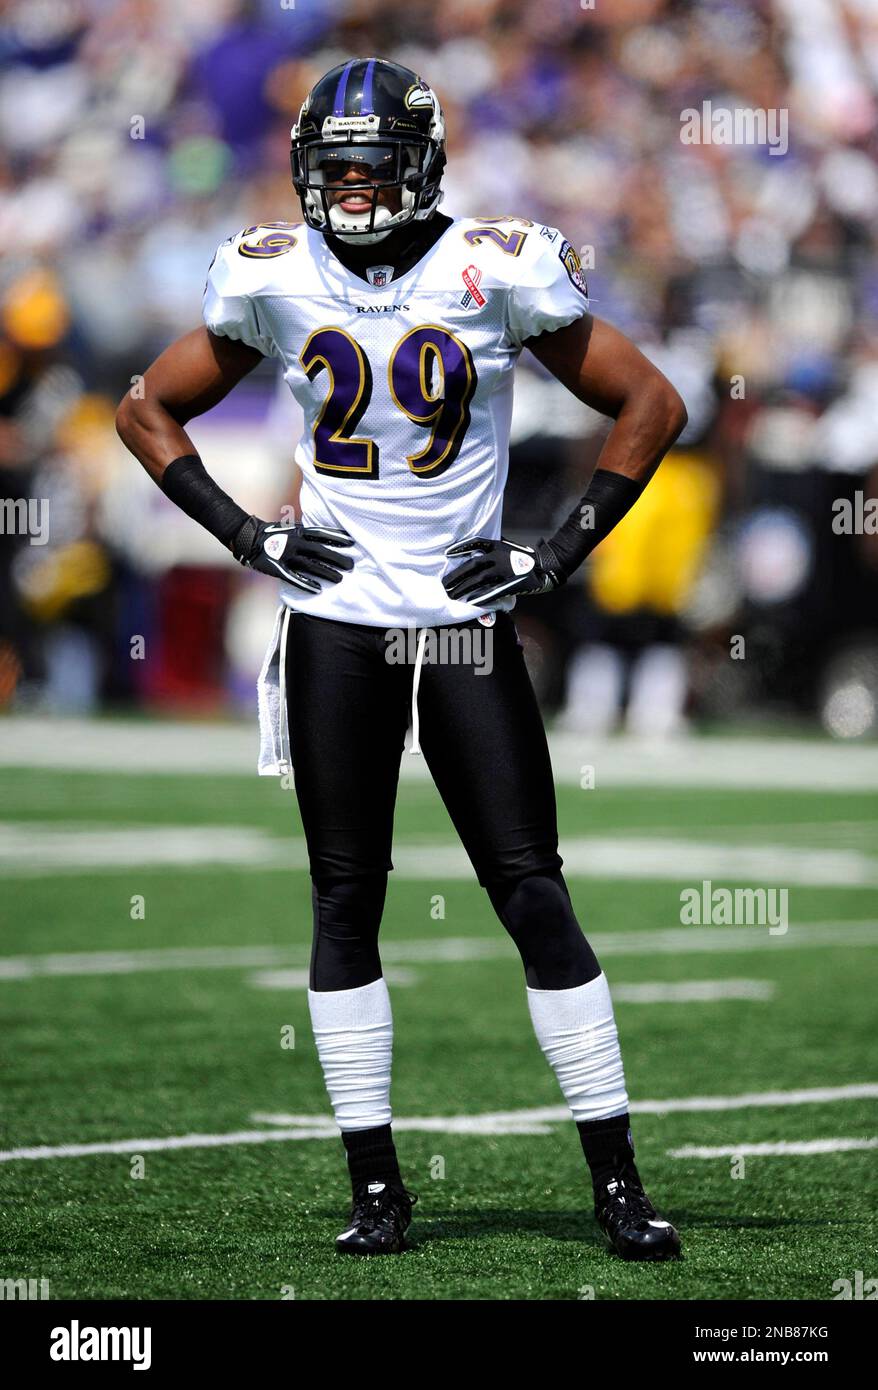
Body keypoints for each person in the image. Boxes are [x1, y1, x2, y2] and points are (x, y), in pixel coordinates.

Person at [116, 57, 687, 1261]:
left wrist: (553, 556)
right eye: (334, 166)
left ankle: (617, 1181)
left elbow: (650, 402)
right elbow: (143, 408)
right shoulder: (270, 275)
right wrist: (248, 537)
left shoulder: (495, 264)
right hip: (334, 623)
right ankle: (375, 1187)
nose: (353, 187)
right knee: (343, 899)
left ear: (423, 160)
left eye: (373, 163)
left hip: (460, 618)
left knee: (531, 890)